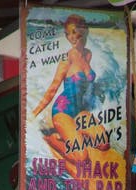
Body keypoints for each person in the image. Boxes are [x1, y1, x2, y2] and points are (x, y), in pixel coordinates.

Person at [32, 14, 101, 165]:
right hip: (63, 111)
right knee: (81, 157)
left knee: (104, 143)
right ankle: (52, 139)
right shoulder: (66, 60)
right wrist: (33, 114)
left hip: (80, 111)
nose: (71, 37)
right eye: (68, 34)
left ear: (84, 31)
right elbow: (52, 89)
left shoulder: (88, 54)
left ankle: (71, 133)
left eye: (74, 32)